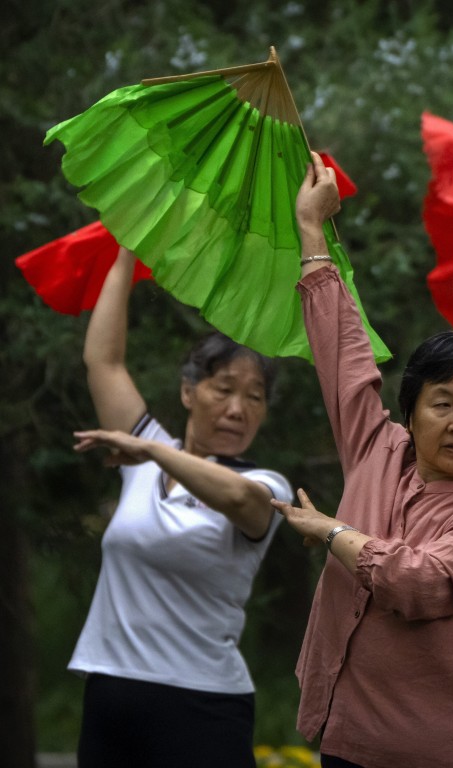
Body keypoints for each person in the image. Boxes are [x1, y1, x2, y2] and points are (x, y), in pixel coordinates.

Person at [270, 152, 453, 768]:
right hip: (349, 743)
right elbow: (343, 357)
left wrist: (332, 531)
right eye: (442, 403)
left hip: (450, 754)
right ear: (410, 413)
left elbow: (417, 582)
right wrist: (312, 231)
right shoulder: (377, 449)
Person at [69, 246, 293, 768]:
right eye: (224, 389)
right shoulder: (146, 462)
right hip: (111, 689)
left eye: (255, 396)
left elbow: (239, 499)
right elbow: (103, 361)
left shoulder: (264, 483)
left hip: (203, 703)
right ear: (189, 393)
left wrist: (148, 448)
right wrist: (129, 246)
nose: (238, 408)